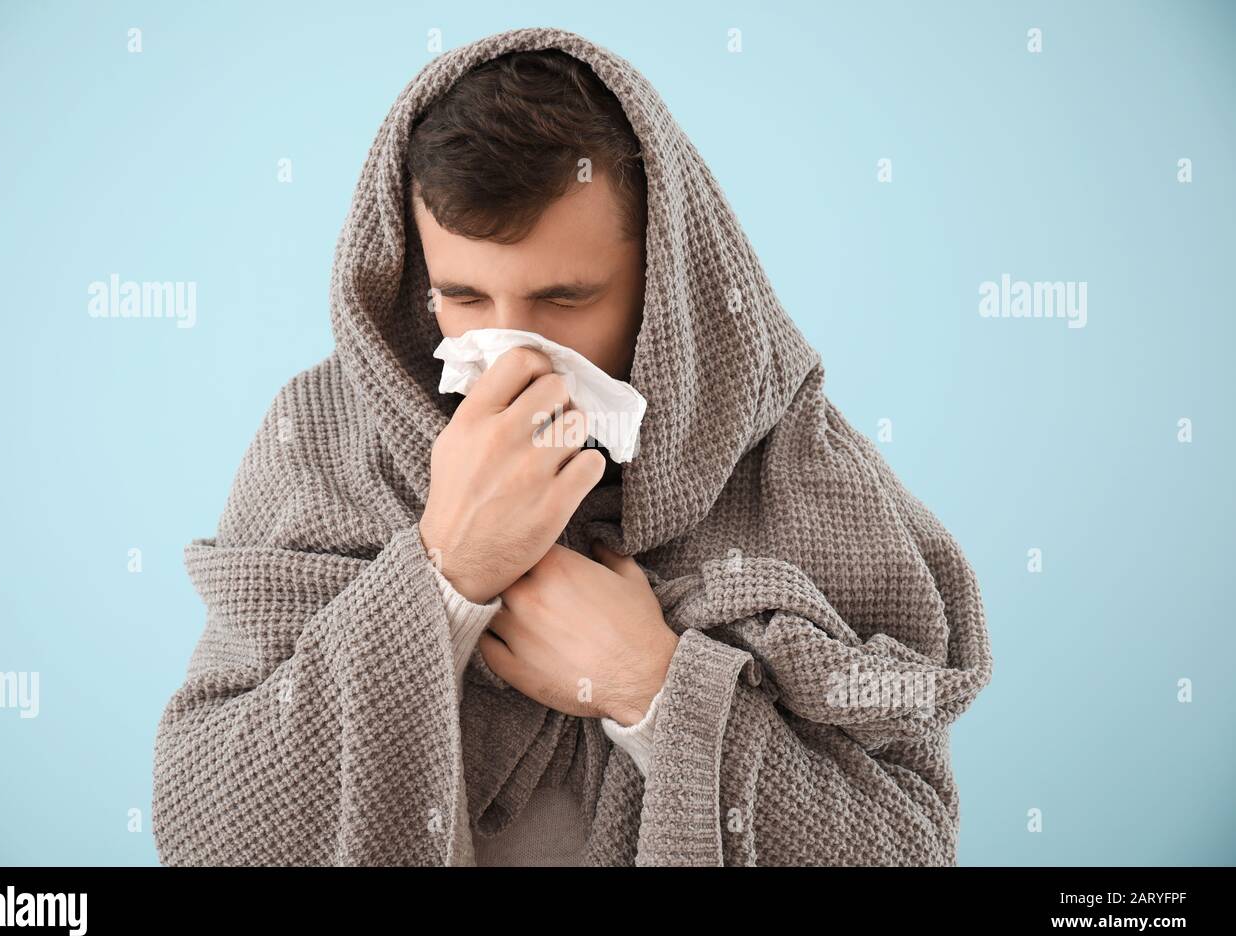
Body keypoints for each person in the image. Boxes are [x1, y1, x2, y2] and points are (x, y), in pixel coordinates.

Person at [152, 28, 993, 867]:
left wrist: (655, 688)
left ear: (667, 282)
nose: (513, 355)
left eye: (565, 298)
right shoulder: (324, 445)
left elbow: (908, 848)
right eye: (465, 295)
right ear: (418, 278)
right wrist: (443, 577)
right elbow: (207, 834)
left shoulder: (808, 476)